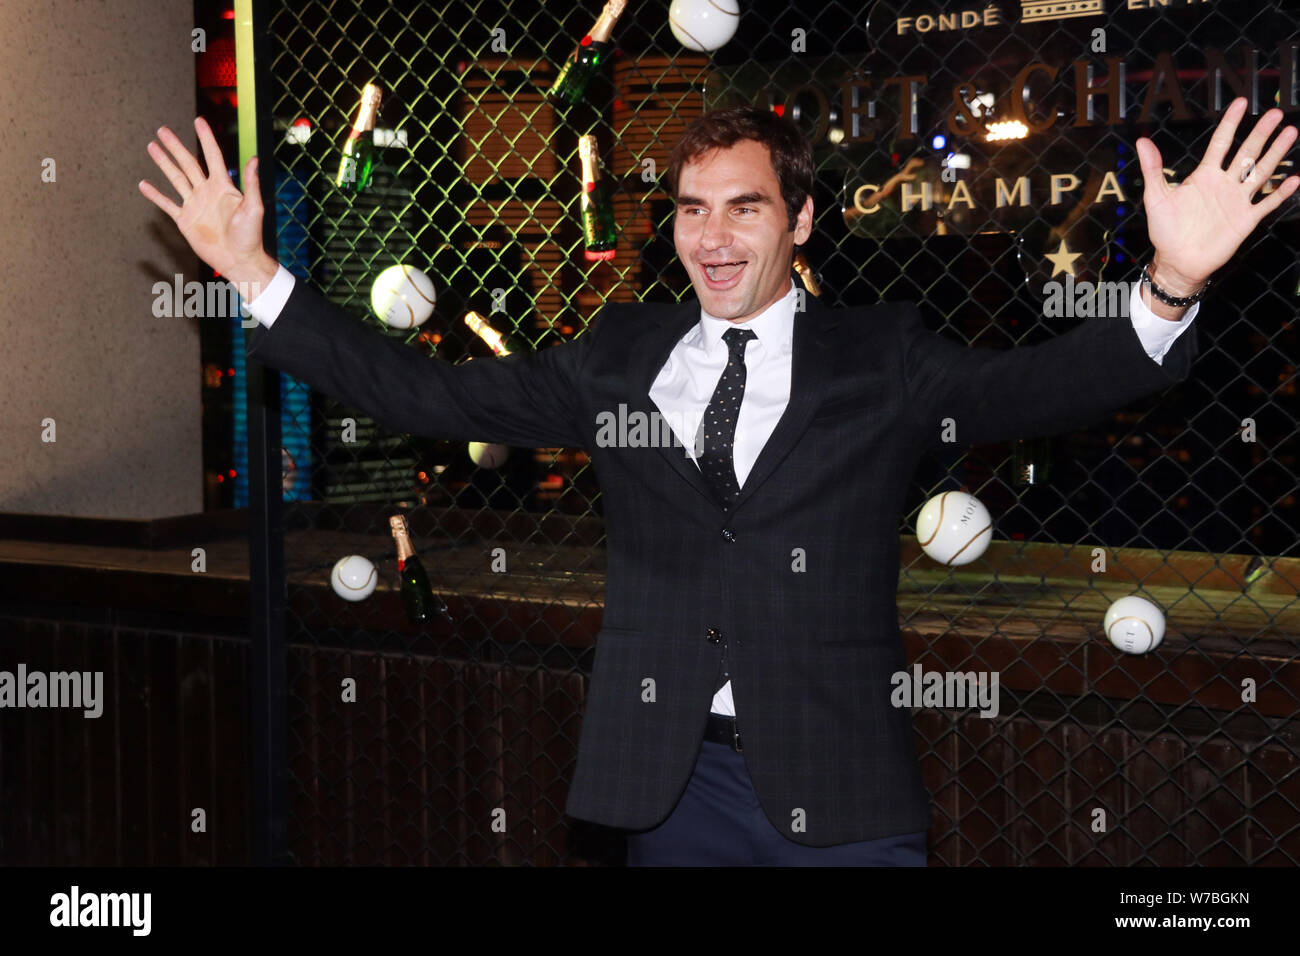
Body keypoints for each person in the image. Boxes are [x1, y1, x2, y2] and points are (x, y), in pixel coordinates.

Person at [140, 100, 1296, 866]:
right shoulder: (620, 352)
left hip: (838, 792)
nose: (714, 236)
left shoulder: (878, 355)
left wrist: (1169, 283)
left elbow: (1034, 390)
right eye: (692, 210)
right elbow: (433, 402)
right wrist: (252, 271)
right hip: (670, 788)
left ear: (797, 218)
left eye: (744, 206)